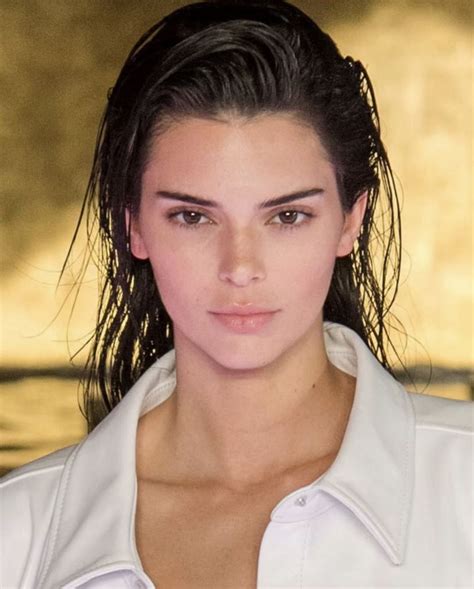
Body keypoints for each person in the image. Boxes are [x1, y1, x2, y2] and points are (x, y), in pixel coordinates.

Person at [1, 1, 472, 587]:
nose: (240, 267)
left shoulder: (464, 485)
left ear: (351, 219)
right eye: (193, 217)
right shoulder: (18, 534)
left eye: (288, 216)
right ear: (134, 227)